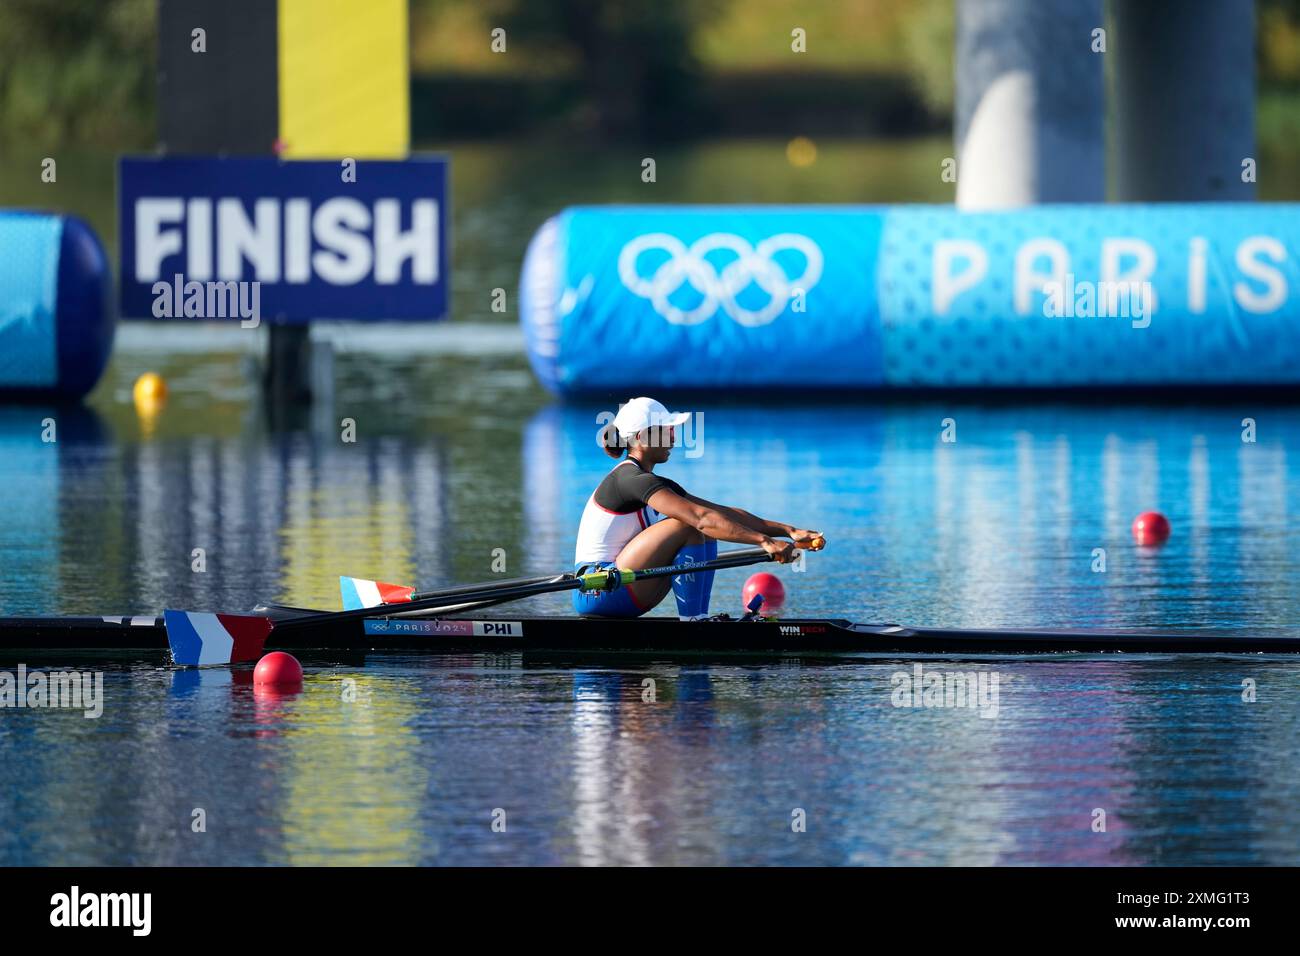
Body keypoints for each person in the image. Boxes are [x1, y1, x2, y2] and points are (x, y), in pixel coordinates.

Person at [573, 397, 824, 619]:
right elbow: (701, 519)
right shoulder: (629, 479)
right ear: (641, 437)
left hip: (623, 587)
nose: (673, 436)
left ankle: (697, 618)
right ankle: (694, 622)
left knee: (705, 524)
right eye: (666, 429)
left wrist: (790, 531)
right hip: (597, 590)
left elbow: (722, 513)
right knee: (689, 524)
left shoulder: (653, 483)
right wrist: (764, 542)